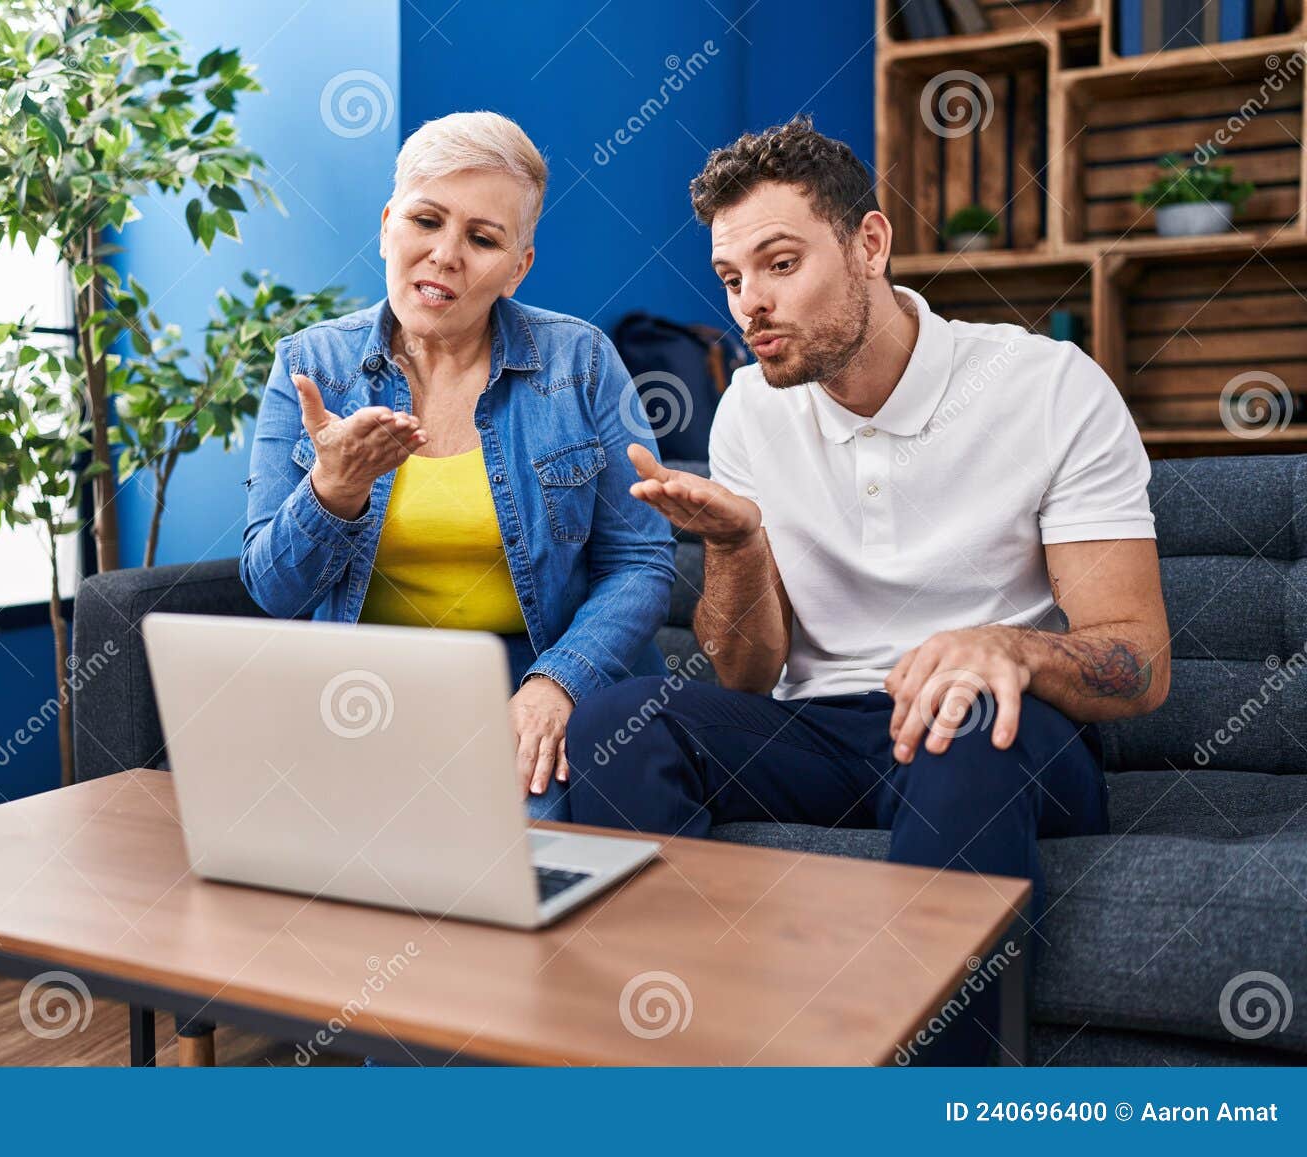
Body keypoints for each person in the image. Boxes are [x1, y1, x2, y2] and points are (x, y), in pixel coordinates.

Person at [565, 117, 1170, 1063]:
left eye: (778, 264)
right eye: (731, 279)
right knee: (617, 723)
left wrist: (1011, 647)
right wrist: (738, 543)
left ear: (870, 244)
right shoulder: (750, 411)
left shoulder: (1045, 385)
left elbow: (1138, 662)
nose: (749, 305)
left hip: (1001, 733)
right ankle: (680, 1060)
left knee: (959, 721)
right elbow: (744, 673)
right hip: (824, 727)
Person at [241, 111, 675, 821]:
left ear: (517, 267)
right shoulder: (309, 364)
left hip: (531, 679)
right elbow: (273, 588)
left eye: (482, 238)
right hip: (366, 692)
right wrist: (335, 489)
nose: (445, 254)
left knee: (523, 858)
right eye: (426, 220)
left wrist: (558, 684)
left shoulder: (582, 360)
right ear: (387, 226)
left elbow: (643, 561)